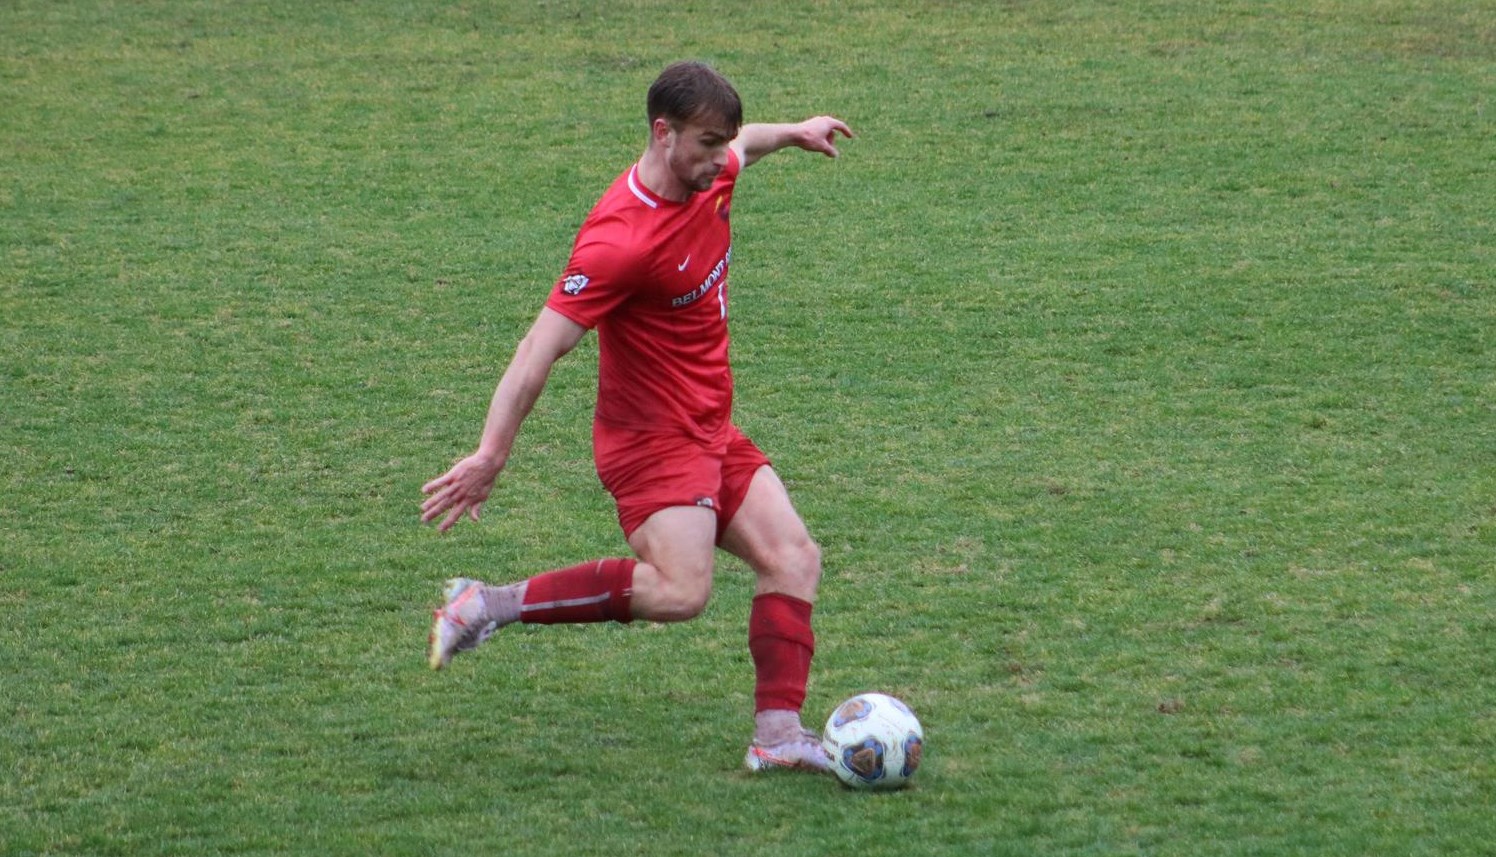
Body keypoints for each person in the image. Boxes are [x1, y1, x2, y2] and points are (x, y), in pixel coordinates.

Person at [420, 60, 853, 773]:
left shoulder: (711, 172)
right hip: (651, 443)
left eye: (726, 143)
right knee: (682, 591)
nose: (723, 159)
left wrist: (798, 132)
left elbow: (750, 146)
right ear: (663, 134)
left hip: (709, 422)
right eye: (709, 144)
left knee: (794, 557)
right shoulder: (619, 243)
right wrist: (490, 454)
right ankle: (485, 603)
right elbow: (537, 350)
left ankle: (776, 735)